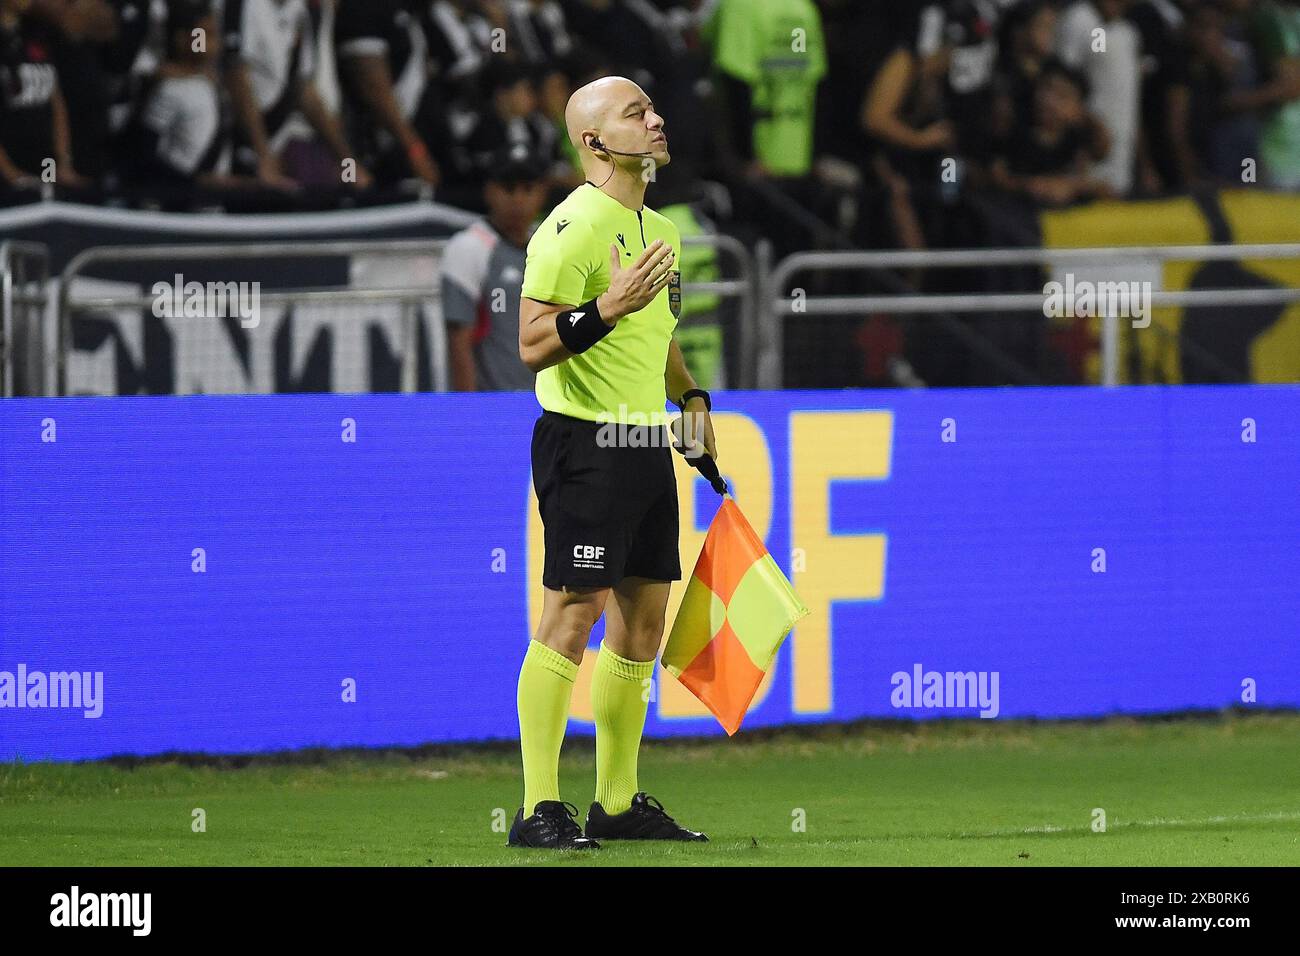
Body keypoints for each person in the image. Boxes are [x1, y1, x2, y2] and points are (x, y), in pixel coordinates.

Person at [511, 74, 714, 849]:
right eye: (637, 114)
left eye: (654, 109)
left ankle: (617, 803)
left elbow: (655, 337)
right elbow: (531, 343)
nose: (656, 120)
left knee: (642, 622)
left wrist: (691, 400)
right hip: (584, 441)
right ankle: (536, 808)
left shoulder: (657, 227)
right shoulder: (571, 228)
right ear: (595, 142)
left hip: (642, 443)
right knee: (572, 614)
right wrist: (606, 306)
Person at [440, 146, 548, 392]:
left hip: (546, 407)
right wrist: (468, 412)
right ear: (489, 191)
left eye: (528, 189)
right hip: (493, 407)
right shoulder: (468, 248)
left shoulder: (550, 245)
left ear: (542, 194)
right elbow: (459, 342)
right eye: (508, 188)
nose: (518, 199)